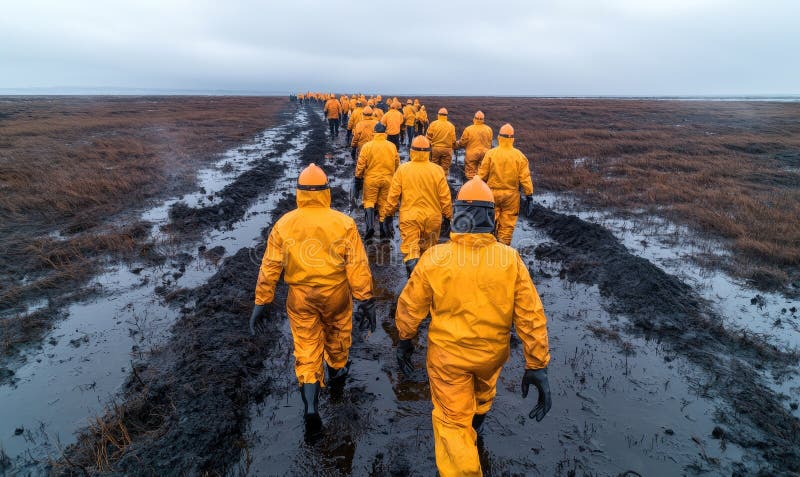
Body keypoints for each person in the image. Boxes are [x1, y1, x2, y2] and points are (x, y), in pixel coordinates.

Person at [394, 176, 551, 477]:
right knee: (482, 396)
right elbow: (531, 316)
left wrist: (405, 339)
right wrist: (537, 365)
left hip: (448, 361)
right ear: (491, 217)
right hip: (491, 357)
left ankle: (462, 459)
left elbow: (410, 305)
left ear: (458, 214)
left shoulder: (435, 258)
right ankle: (475, 432)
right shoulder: (510, 260)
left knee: (452, 424)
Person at [249, 163, 376, 433]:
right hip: (336, 295)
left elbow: (269, 267)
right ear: (326, 192)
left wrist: (261, 302)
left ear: (299, 192)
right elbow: (358, 266)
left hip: (301, 298)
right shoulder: (344, 223)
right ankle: (338, 373)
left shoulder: (284, 224)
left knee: (306, 348)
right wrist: (366, 301)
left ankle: (310, 406)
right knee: (338, 336)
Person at [380, 136, 452, 276]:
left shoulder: (403, 169)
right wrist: (448, 216)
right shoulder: (437, 170)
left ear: (411, 151)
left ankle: (414, 282)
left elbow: (393, 196)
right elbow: (445, 197)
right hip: (433, 218)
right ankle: (425, 284)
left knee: (411, 251)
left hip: (409, 218)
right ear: (428, 151)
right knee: (428, 253)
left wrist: (388, 215)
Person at [477, 123, 534, 245]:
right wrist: (529, 196)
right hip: (511, 197)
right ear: (512, 138)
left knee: (489, 222)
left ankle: (489, 247)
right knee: (507, 227)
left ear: (499, 137)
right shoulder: (520, 156)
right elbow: (525, 178)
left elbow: (481, 176)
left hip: (491, 195)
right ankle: (503, 249)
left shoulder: (491, 154)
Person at [355, 122, 400, 240]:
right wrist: (395, 177)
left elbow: (361, 164)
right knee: (384, 204)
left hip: (371, 180)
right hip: (388, 180)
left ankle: (370, 226)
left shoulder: (367, 146)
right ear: (384, 133)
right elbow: (397, 163)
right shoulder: (392, 146)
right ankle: (383, 230)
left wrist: (358, 177)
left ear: (374, 132)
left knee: (369, 201)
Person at [457, 111, 493, 180]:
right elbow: (490, 142)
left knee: (471, 175)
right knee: (482, 174)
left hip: (472, 155)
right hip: (485, 154)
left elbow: (462, 142)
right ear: (483, 119)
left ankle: (472, 188)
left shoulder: (468, 129)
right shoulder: (489, 129)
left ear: (474, 119)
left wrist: (457, 144)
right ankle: (482, 188)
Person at [426, 108, 457, 174]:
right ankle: (443, 182)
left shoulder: (433, 124)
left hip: (435, 149)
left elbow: (428, 137)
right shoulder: (451, 126)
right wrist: (454, 147)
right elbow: (453, 140)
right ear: (446, 115)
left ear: (438, 115)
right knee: (445, 169)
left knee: (434, 168)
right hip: (447, 150)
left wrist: (429, 146)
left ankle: (434, 182)